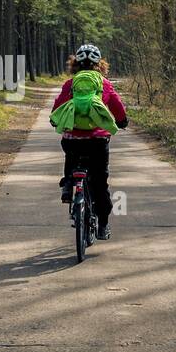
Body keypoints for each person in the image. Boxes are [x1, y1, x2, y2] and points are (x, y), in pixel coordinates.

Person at [49, 44, 127, 240]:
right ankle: (103, 226)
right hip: (98, 140)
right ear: (99, 65)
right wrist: (122, 121)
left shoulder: (70, 84)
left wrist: (57, 121)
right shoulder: (104, 83)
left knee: (71, 154)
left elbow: (57, 108)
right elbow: (117, 106)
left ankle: (68, 184)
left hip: (72, 139)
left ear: (75, 64)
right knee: (100, 183)